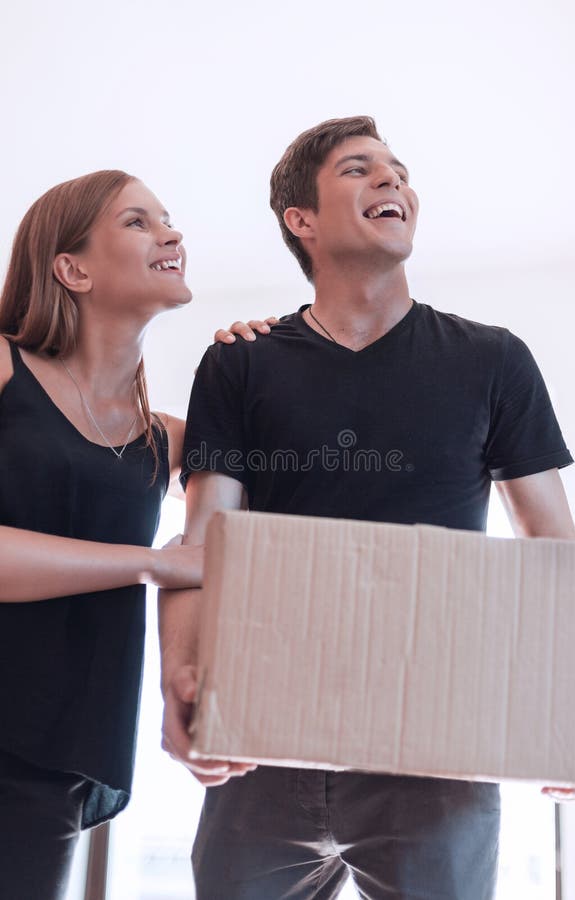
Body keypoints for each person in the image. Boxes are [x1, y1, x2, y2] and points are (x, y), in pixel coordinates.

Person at [160, 116, 575, 900]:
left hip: (435, 757)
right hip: (260, 743)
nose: (393, 181)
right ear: (303, 221)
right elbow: (199, 545)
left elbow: (554, 552)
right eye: (361, 169)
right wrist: (176, 682)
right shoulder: (237, 364)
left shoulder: (493, 360)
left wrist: (574, 717)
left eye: (399, 170)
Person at [0, 169, 272, 900]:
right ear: (72, 268)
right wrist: (156, 563)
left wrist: (258, 365)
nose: (172, 234)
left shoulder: (168, 442)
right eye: (138, 222)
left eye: (169, 221)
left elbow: (284, 465)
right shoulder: (4, 369)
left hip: (58, 763)